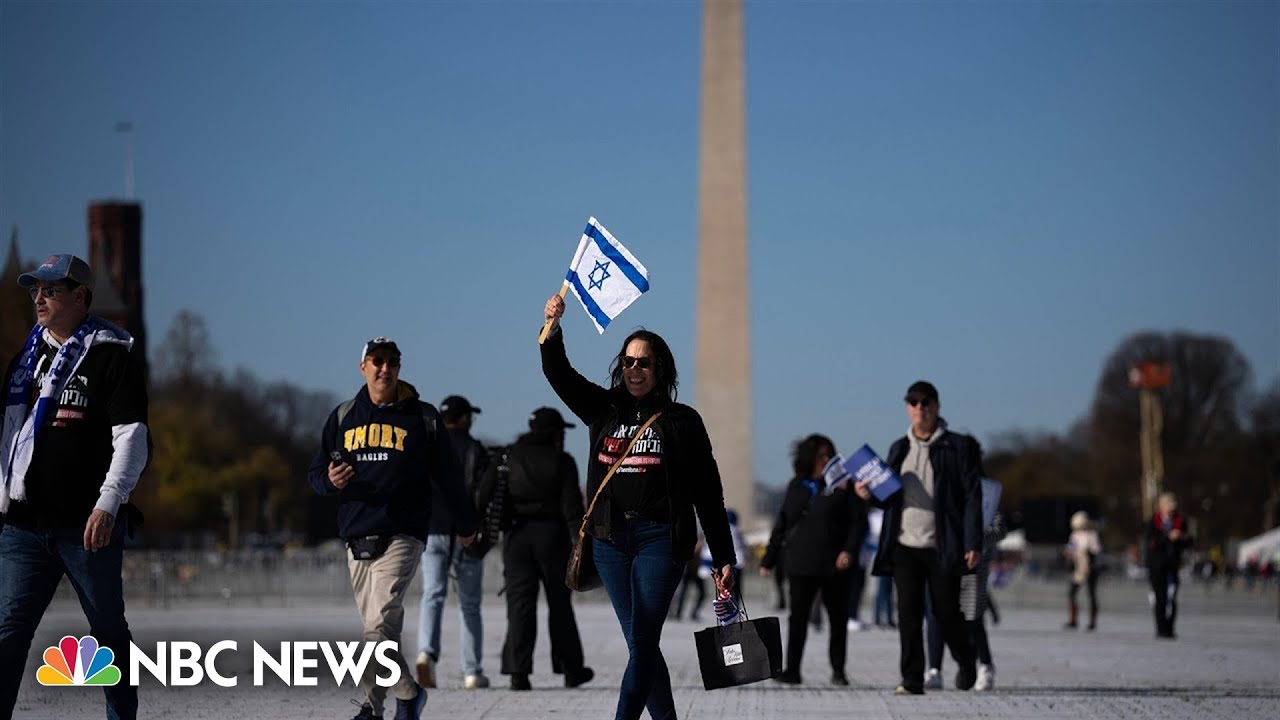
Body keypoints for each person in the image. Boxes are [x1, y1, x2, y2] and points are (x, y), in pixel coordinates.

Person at [540, 294, 737, 720]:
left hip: (659, 539)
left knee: (644, 638)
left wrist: (723, 556)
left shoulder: (683, 421)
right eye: (628, 361)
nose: (634, 370)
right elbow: (560, 374)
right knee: (640, 643)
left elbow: (708, 493)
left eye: (643, 362)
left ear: (660, 368)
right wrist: (552, 329)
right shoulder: (604, 408)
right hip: (610, 540)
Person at [0, 254, 149, 720]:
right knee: (7, 632)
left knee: (107, 632)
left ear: (80, 296)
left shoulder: (111, 355)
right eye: (34, 291)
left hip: (86, 529)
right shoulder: (26, 359)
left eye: (51, 289)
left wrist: (108, 504)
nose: (39, 298)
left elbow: (132, 439)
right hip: (23, 527)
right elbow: (7, 438)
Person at [307, 338, 477, 720]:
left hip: (403, 531)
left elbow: (450, 479)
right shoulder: (342, 416)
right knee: (380, 629)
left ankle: (406, 694)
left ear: (400, 368)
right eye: (377, 361)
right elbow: (315, 474)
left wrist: (467, 526)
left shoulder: (423, 418)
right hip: (356, 533)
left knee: (376, 627)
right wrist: (330, 481)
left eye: (392, 362)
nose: (385, 368)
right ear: (363, 367)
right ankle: (379, 704)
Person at [856, 380, 982, 696]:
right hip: (904, 545)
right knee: (908, 614)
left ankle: (966, 659)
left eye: (925, 402)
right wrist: (867, 495)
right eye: (913, 402)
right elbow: (888, 497)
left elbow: (971, 498)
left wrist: (972, 542)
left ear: (937, 407)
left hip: (942, 545)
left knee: (945, 612)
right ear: (907, 409)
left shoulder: (959, 447)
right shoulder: (899, 448)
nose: (919, 408)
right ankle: (912, 679)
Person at [476, 406, 594, 691]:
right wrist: (581, 544)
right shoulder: (562, 461)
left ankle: (518, 673)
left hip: (516, 538)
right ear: (554, 432)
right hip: (553, 538)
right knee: (560, 606)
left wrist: (477, 528)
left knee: (519, 606)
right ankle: (571, 669)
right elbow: (572, 509)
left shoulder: (508, 456)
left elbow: (483, 493)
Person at [761, 434, 867, 686]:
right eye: (820, 455)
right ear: (808, 458)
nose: (826, 459)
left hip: (835, 564)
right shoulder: (796, 485)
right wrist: (769, 558)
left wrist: (849, 551)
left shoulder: (845, 486)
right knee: (797, 619)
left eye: (829, 454)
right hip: (800, 562)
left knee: (837, 620)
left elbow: (858, 522)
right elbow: (783, 523)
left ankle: (838, 670)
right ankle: (793, 670)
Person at [415, 394, 489, 690]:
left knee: (432, 595)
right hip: (466, 531)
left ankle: (426, 653)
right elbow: (484, 493)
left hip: (431, 529)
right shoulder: (474, 449)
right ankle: (472, 671)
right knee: (469, 604)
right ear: (464, 418)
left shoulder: (426, 449)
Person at [1146, 492, 1191, 639]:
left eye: (1173, 508)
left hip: (1173, 565)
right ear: (1161, 507)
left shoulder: (1181, 521)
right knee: (1160, 598)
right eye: (1168, 507)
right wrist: (1167, 536)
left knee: (1171, 597)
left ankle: (1170, 628)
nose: (1171, 511)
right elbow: (1150, 543)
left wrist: (1182, 538)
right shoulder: (1153, 521)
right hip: (1156, 566)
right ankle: (1160, 629)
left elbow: (1189, 542)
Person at [1064, 510, 1101, 631]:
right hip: (1078, 567)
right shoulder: (1074, 536)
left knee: (1091, 594)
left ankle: (1092, 622)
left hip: (1090, 567)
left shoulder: (1092, 535)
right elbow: (1070, 550)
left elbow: (1096, 551)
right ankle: (1073, 619)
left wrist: (1088, 558)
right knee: (1072, 593)